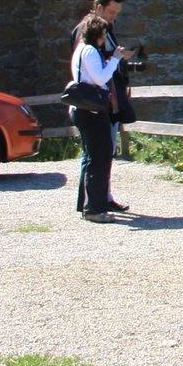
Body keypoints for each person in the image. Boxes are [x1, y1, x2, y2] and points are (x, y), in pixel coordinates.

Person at [69, 0, 136, 209]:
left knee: (100, 152)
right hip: (95, 102)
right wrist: (116, 58)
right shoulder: (87, 32)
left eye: (117, 13)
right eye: (111, 12)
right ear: (99, 8)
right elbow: (95, 69)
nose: (114, 17)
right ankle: (92, 202)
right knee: (96, 154)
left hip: (105, 99)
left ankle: (98, 199)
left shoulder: (103, 29)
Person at [69, 14, 119, 222]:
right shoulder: (89, 50)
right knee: (99, 156)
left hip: (83, 109)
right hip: (91, 110)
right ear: (97, 34)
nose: (105, 38)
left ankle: (88, 204)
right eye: (104, 33)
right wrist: (115, 59)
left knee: (93, 156)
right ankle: (95, 209)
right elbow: (100, 78)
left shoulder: (81, 49)